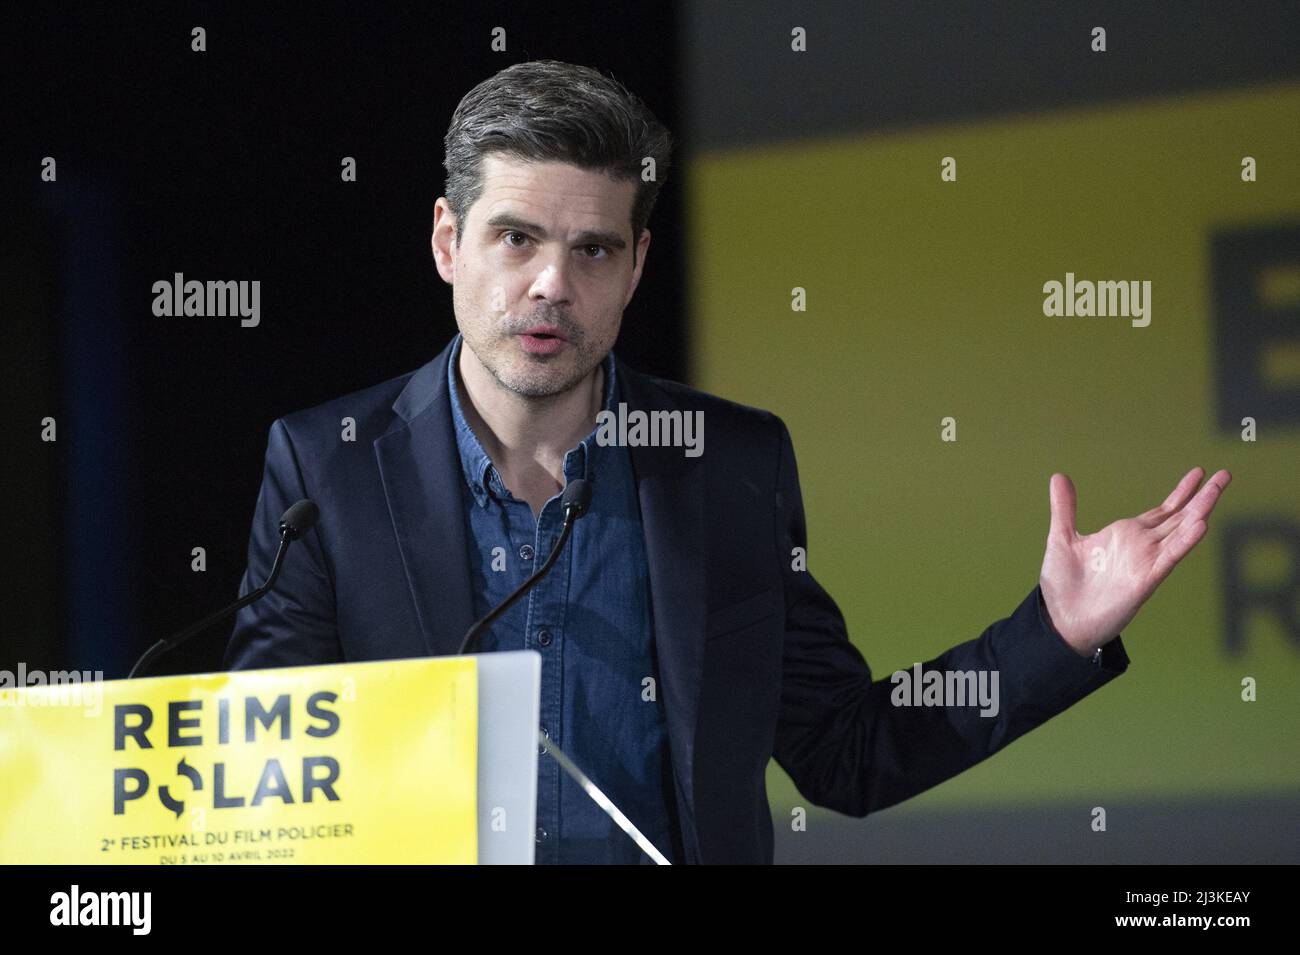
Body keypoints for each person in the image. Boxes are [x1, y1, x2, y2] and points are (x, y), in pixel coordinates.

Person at [224, 59, 1232, 864]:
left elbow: (844, 751)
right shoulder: (327, 468)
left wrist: (1051, 632)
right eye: (515, 237)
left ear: (637, 267)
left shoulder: (729, 466)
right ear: (448, 241)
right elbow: (263, 778)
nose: (550, 284)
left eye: (593, 250)